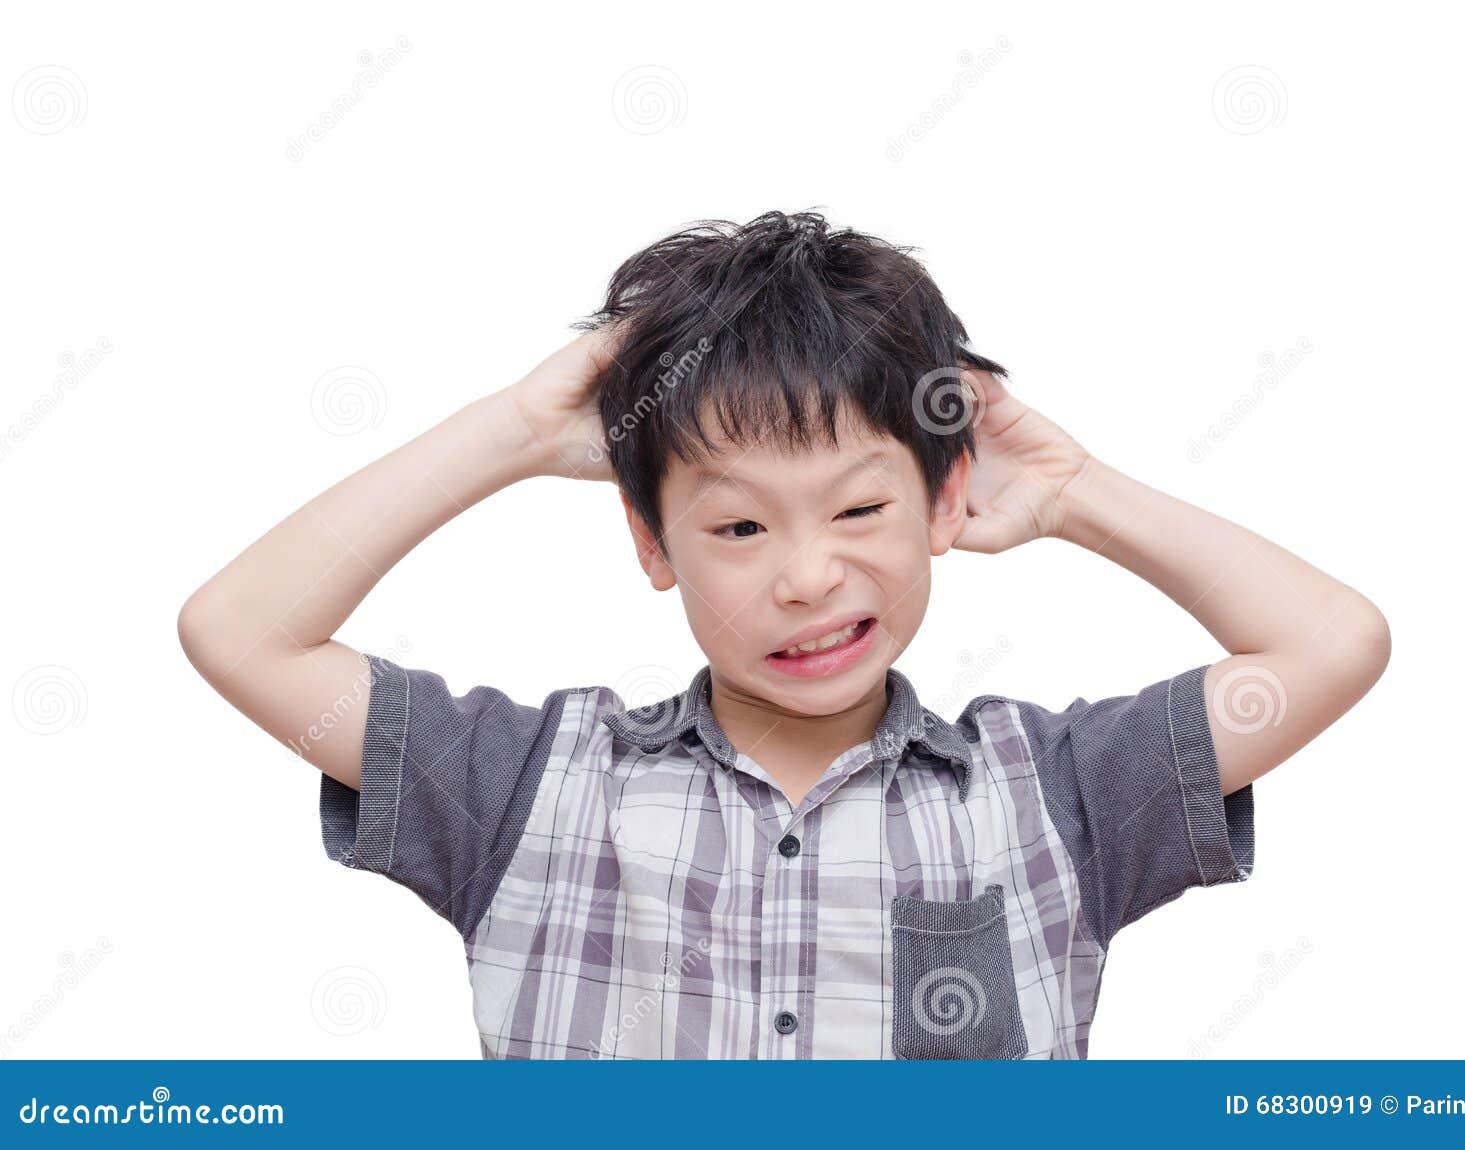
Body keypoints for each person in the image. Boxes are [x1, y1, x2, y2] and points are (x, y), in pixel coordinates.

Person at [177, 210, 1390, 1059]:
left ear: (942, 501)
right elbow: (242, 632)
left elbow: (1330, 642)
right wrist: (510, 430)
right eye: (741, 525)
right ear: (653, 545)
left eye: (861, 508)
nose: (809, 576)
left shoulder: (1057, 795)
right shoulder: (527, 790)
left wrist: (1074, 492)